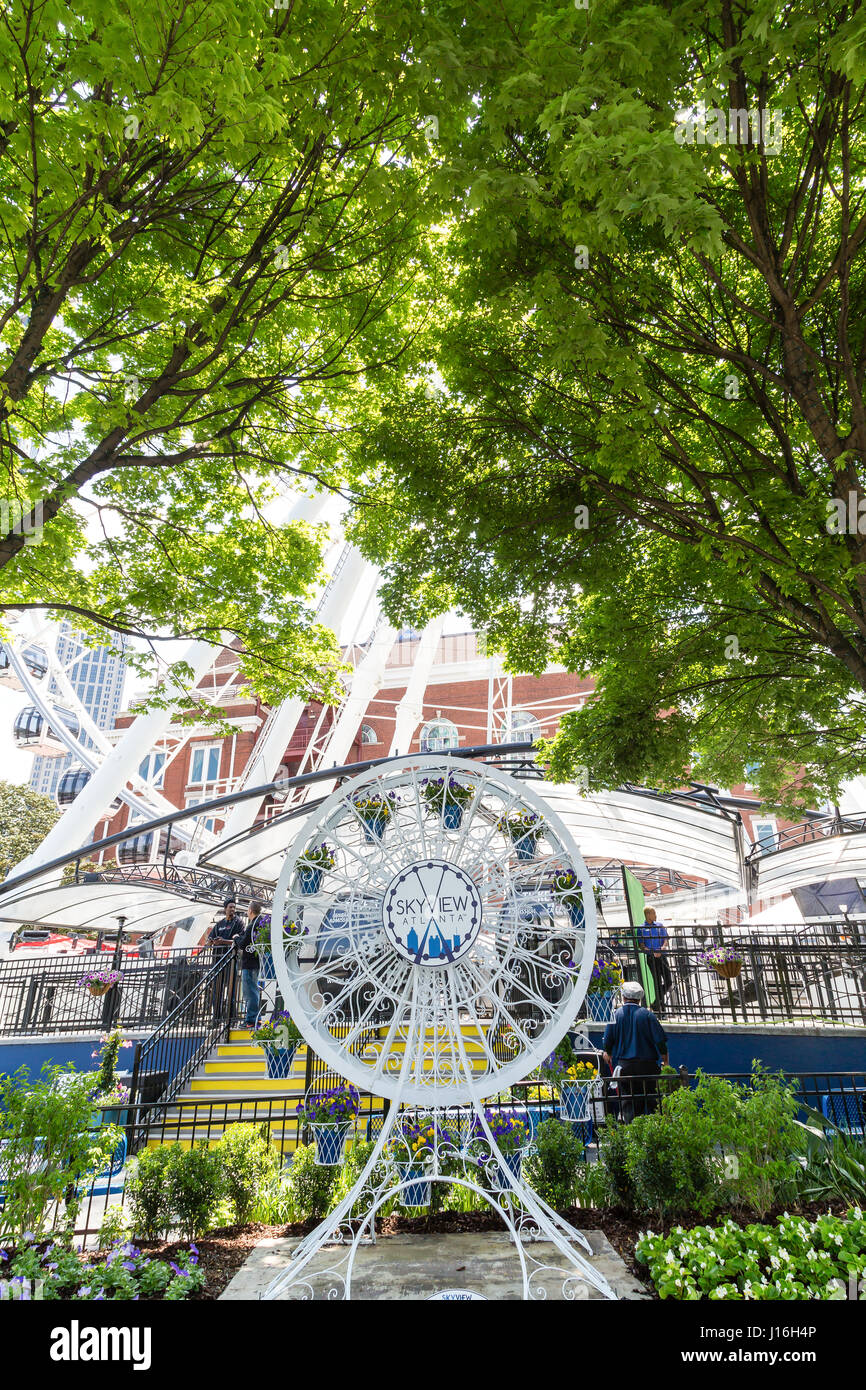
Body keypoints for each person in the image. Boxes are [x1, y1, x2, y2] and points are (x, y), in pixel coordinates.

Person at [602, 981, 669, 1122]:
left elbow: (608, 1043)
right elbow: (660, 1042)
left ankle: (632, 1135)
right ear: (639, 999)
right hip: (648, 1066)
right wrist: (665, 1061)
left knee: (629, 1103)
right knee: (652, 1102)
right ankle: (655, 1133)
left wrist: (607, 1053)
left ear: (624, 997)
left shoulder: (615, 1015)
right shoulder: (648, 1015)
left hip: (625, 1067)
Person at [206, 899, 243, 1018]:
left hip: (231, 960)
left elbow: (240, 941)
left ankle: (231, 1018)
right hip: (218, 961)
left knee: (231, 990)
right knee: (217, 991)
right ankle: (216, 1017)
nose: (232, 909)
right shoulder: (220, 924)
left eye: (234, 907)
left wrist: (224, 942)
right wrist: (210, 942)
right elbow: (209, 939)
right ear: (225, 909)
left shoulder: (239, 923)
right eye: (230, 907)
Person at [637, 906, 672, 1016]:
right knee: (657, 982)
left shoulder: (660, 926)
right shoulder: (641, 928)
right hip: (651, 958)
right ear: (648, 914)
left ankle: (656, 1004)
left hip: (662, 956)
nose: (655, 915)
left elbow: (666, 939)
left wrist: (662, 948)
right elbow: (641, 945)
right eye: (653, 913)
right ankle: (661, 1009)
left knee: (668, 981)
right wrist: (652, 952)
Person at [236, 900, 264, 1028]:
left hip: (249, 963)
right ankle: (255, 1018)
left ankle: (251, 1020)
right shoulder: (261, 923)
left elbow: (243, 943)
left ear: (250, 911)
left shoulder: (252, 925)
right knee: (253, 991)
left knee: (250, 992)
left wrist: (236, 938)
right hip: (257, 962)